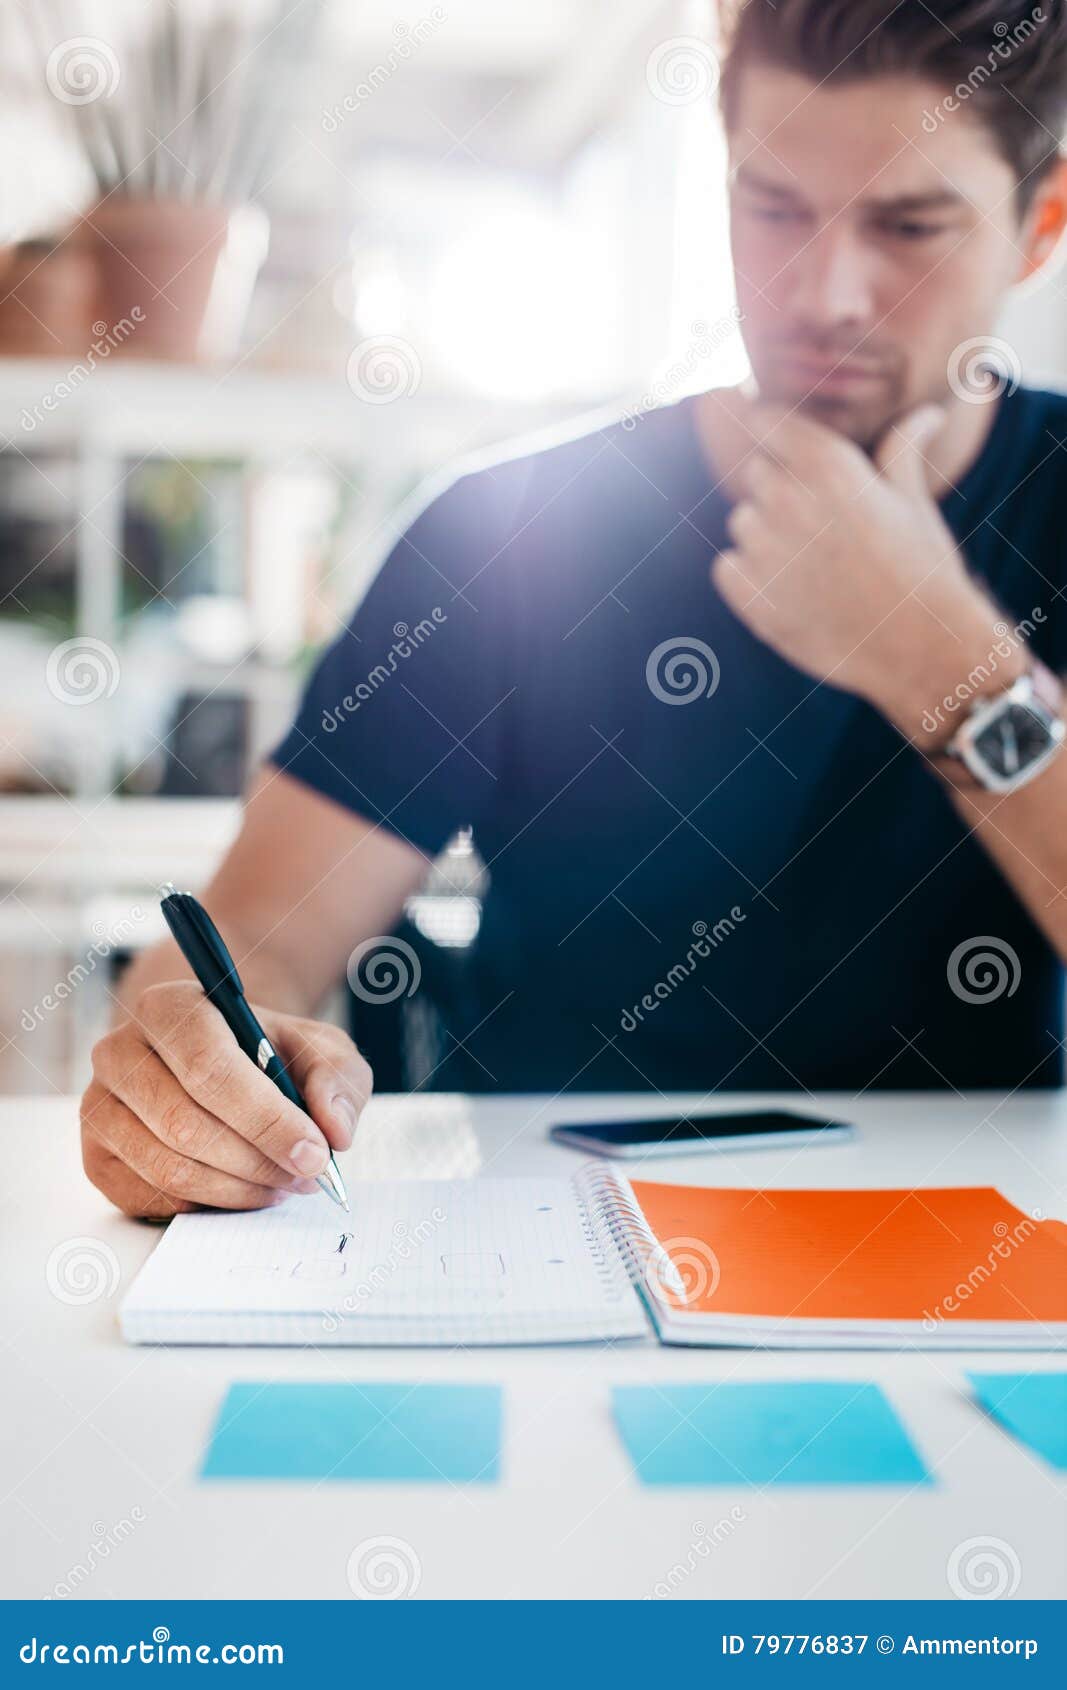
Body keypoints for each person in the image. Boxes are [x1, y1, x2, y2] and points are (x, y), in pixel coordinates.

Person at [83, 0, 1067, 1217]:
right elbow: (245, 945)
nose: (827, 293)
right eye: (769, 208)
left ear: (1039, 225)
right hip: (553, 1261)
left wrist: (942, 660)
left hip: (996, 1265)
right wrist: (177, 1072)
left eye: (909, 224)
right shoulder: (505, 534)